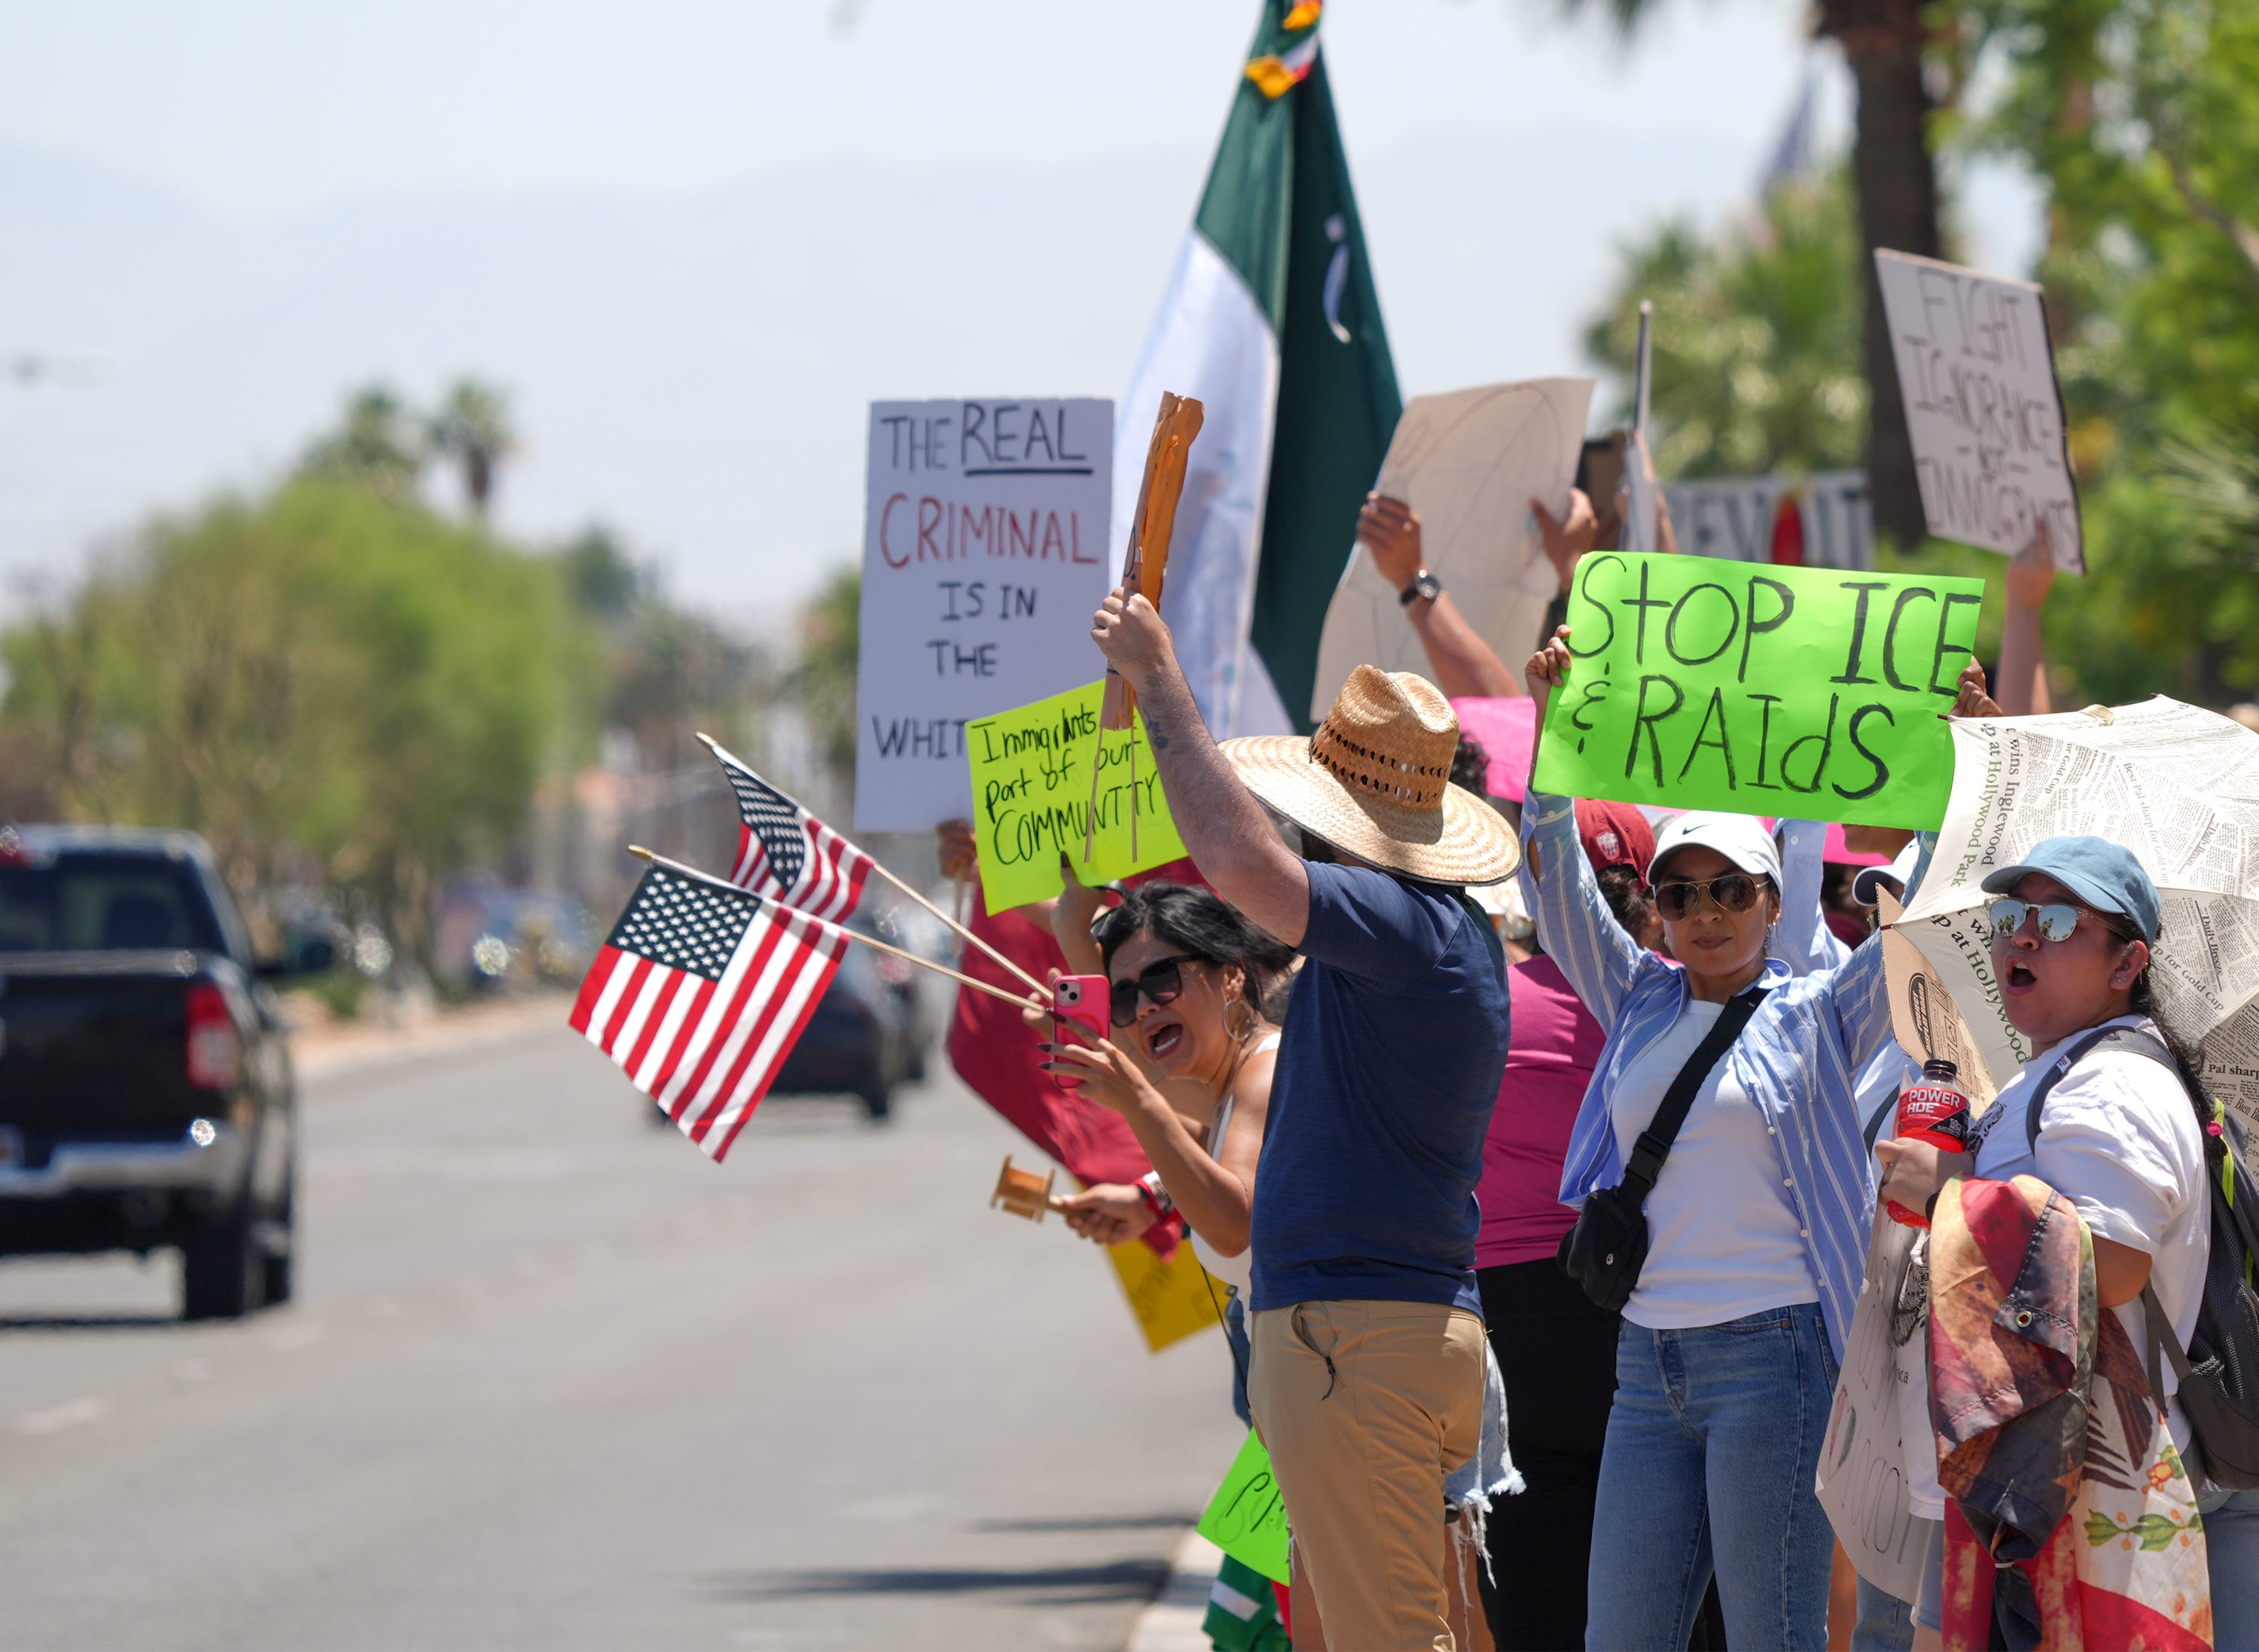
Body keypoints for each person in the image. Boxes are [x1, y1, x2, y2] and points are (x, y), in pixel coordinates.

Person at [1092, 575, 1517, 1652]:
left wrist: (1160, 682)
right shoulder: (1416, 937)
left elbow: (1240, 867)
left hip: (1356, 1337)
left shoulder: (1401, 919)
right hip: (1378, 1331)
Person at [1522, 624, 1904, 1650]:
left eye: (1732, 887)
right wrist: (1554, 744)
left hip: (1774, 1361)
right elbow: (1551, 883)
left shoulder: (1820, 1010)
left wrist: (1966, 767)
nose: (1706, 911)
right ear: (1657, 911)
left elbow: (1934, 919)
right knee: (1623, 1636)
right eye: (1681, 892)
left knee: (1770, 1638)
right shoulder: (1640, 997)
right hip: (1646, 1361)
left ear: (1773, 901)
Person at [1870, 837, 2218, 1646]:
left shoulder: (2113, 1084)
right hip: (2036, 1469)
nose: (2023, 935)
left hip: (2081, 1492)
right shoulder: (2069, 1067)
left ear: (2128, 963)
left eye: (2058, 920)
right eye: (2012, 914)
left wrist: (1949, 1193)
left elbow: (2119, 1266)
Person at [1474, 797, 1658, 1651]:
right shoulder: (1673, 1006)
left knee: (1536, 1594)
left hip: (1509, 1318)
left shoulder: (1485, 1003)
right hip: (1645, 1301)